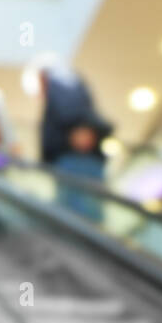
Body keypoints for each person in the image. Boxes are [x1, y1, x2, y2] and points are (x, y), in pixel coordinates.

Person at [38, 64, 114, 220]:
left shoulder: (60, 86)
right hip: (75, 160)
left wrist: (80, 129)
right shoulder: (70, 88)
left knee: (77, 208)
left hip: (74, 160)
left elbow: (69, 113)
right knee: (84, 205)